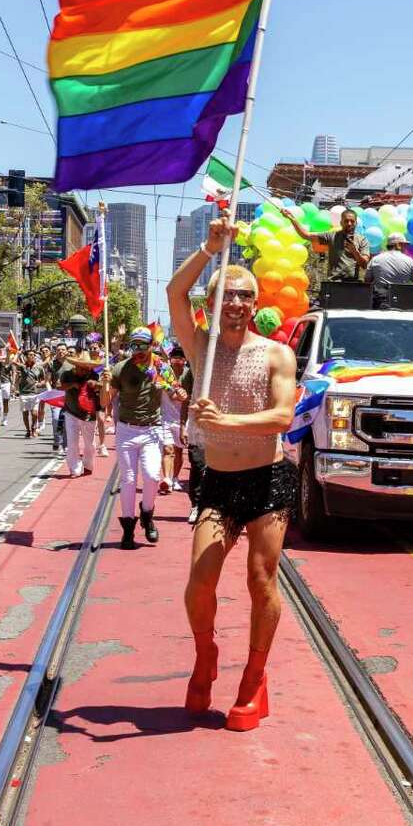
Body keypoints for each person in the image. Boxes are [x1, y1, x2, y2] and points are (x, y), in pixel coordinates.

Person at [167, 213, 299, 730]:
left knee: (260, 579)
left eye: (246, 295)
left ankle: (254, 677)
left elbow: (283, 417)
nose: (238, 303)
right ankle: (206, 655)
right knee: (200, 582)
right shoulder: (199, 345)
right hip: (218, 483)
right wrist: (209, 248)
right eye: (229, 294)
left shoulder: (277, 353)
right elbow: (176, 293)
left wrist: (229, 420)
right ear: (215, 302)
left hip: (267, 481)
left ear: (256, 302)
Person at [102, 328, 165, 548]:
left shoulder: (161, 367)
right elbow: (104, 402)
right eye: (134, 346)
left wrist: (180, 394)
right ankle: (128, 529)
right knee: (128, 480)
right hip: (127, 431)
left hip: (152, 430)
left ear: (151, 346)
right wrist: (105, 383)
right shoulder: (120, 369)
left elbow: (175, 391)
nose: (137, 351)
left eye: (142, 346)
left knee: (152, 476)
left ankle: (147, 514)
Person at [287, 202, 369, 296]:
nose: (349, 224)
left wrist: (355, 251)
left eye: (352, 221)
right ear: (341, 222)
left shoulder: (362, 240)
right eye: (346, 221)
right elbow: (305, 235)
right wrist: (292, 219)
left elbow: (364, 264)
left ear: (356, 223)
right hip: (333, 284)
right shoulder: (332, 236)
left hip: (352, 285)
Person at [60, 354, 101, 475]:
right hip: (71, 412)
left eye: (86, 368)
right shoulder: (67, 374)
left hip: (89, 414)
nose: (84, 370)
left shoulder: (94, 375)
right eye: (82, 367)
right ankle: (74, 468)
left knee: (90, 444)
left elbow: (104, 387)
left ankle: (88, 464)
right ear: (76, 366)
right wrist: (72, 385)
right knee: (72, 442)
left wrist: (96, 384)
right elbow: (59, 386)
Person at [159, 344, 192, 494]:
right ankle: (166, 478)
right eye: (175, 358)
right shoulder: (165, 373)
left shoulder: (188, 375)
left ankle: (175, 478)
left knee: (178, 451)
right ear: (170, 359)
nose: (178, 360)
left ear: (185, 360)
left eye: (181, 358)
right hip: (165, 418)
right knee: (167, 449)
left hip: (182, 419)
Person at [366, 236, 413, 308]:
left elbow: (367, 282)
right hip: (403, 301)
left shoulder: (375, 259)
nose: (405, 248)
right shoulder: (409, 261)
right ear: (398, 245)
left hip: (380, 302)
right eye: (404, 245)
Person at [15, 349, 47, 440]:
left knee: (34, 413)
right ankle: (28, 430)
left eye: (34, 355)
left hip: (35, 393)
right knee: (25, 414)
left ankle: (33, 427)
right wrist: (17, 353)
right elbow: (13, 362)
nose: (32, 356)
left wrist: (40, 384)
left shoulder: (39, 367)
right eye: (30, 355)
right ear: (26, 357)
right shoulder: (22, 366)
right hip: (24, 393)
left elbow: (44, 379)